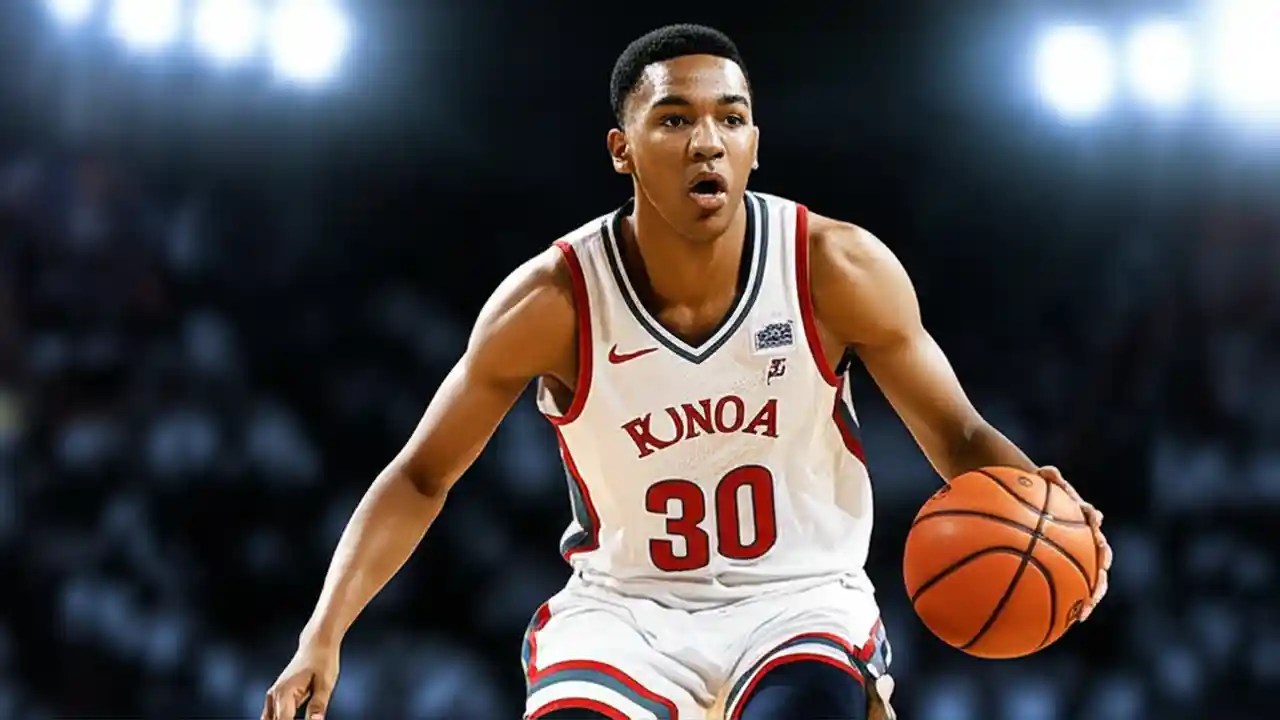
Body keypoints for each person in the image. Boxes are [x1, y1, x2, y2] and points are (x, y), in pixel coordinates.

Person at [261, 23, 1112, 720]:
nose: (706, 139)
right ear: (621, 148)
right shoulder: (552, 303)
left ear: (753, 144)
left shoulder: (835, 269)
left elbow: (958, 433)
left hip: (800, 600)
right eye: (673, 119)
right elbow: (420, 475)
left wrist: (1051, 517)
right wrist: (323, 633)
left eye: (730, 119)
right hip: (625, 611)